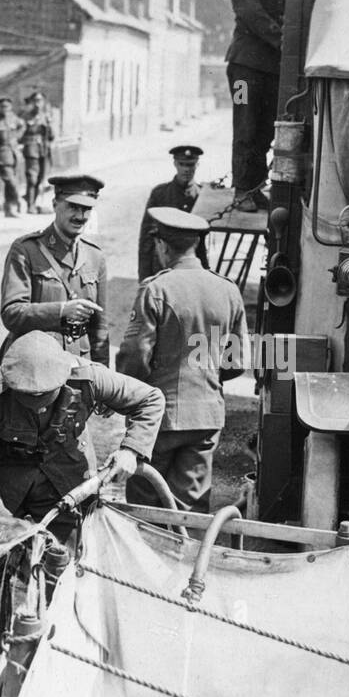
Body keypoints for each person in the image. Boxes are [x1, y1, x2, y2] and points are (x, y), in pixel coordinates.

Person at [0, 331, 164, 681]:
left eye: (44, 396)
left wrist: (131, 449)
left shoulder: (88, 377)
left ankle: (58, 663)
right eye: (27, 396)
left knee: (65, 572)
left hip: (68, 487)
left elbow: (151, 399)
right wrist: (3, 524)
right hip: (9, 495)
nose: (37, 403)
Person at [118, 208, 248, 514]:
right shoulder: (228, 290)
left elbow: (135, 357)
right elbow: (237, 361)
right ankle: (184, 558)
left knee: (145, 509)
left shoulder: (157, 289)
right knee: (190, 510)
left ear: (163, 246)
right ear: (195, 244)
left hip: (159, 417)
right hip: (207, 415)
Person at [0, 174, 108, 368]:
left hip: (82, 365)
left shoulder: (95, 256)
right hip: (37, 364)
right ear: (55, 204)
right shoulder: (26, 250)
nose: (80, 216)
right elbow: (12, 313)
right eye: (73, 207)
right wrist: (61, 311)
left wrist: (103, 378)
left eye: (87, 209)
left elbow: (99, 328)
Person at [226, 0, 288, 213]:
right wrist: (284, 39)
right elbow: (251, 13)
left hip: (273, 69)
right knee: (245, 126)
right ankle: (241, 190)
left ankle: (254, 187)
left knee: (265, 131)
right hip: (244, 68)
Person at [138, 145, 210, 281]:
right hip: (162, 267)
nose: (186, 169)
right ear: (175, 164)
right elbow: (146, 239)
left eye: (190, 164)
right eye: (182, 164)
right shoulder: (160, 194)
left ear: (197, 165)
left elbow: (203, 241)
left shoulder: (203, 196)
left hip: (192, 267)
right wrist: (144, 277)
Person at [20, 90, 54, 214]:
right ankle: (30, 205)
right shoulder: (26, 116)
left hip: (43, 151)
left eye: (40, 101)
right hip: (31, 150)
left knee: (40, 178)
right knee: (32, 178)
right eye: (35, 101)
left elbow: (51, 136)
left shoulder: (46, 116)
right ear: (32, 102)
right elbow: (20, 134)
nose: (37, 104)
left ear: (43, 102)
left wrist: (49, 126)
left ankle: (32, 202)